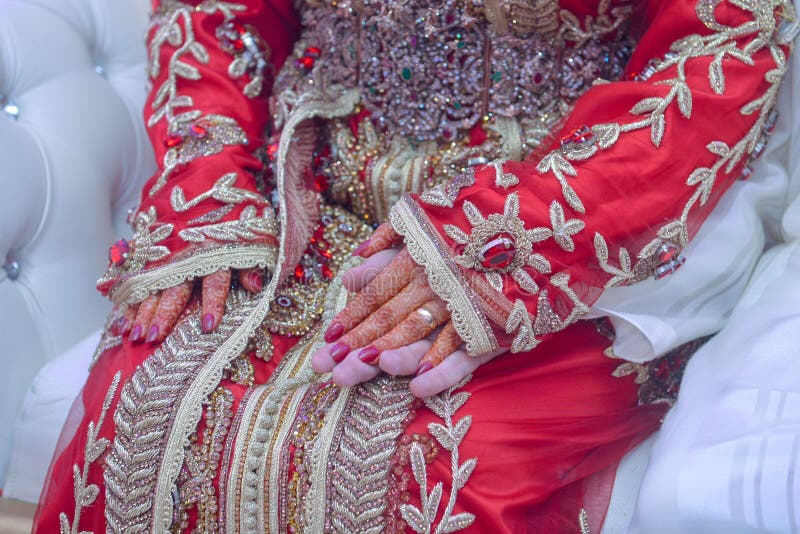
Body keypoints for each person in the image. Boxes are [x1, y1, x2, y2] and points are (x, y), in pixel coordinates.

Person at [33, 0, 795, 532]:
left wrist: (507, 245)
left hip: (583, 198)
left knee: (454, 463)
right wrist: (205, 185)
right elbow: (216, 12)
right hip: (305, 183)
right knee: (141, 413)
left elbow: (720, 46)